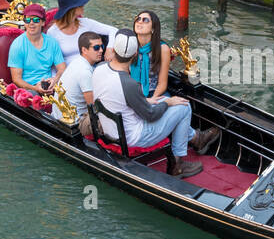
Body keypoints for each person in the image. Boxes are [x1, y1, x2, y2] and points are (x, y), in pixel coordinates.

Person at [91, 29, 218, 178]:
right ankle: (177, 165)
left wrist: (152, 101)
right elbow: (150, 115)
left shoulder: (99, 68)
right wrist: (168, 103)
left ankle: (195, 138)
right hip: (135, 137)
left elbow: (117, 99)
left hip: (111, 130)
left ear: (113, 51)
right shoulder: (129, 83)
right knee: (183, 106)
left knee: (161, 100)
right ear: (134, 55)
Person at [7, 3, 66, 97]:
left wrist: (55, 80)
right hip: (29, 88)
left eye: (36, 20)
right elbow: (16, 79)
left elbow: (62, 67)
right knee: (32, 96)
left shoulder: (52, 42)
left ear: (43, 22)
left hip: (49, 84)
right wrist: (35, 88)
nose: (31, 23)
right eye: (27, 20)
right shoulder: (17, 45)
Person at [47, 0, 117, 65]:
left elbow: (114, 30)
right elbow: (52, 61)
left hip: (89, 68)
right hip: (67, 72)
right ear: (72, 9)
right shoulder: (52, 32)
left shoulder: (86, 23)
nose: (83, 5)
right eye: (80, 4)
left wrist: (109, 48)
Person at [53, 30, 104, 126]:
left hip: (59, 116)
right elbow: (93, 106)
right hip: (75, 123)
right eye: (96, 48)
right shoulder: (84, 72)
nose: (101, 50)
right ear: (84, 50)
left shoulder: (77, 62)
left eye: (102, 46)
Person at [130, 9, 172, 100]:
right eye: (138, 19)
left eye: (145, 20)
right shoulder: (129, 44)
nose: (140, 22)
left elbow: (162, 83)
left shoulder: (163, 49)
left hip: (153, 92)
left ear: (153, 28)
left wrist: (152, 99)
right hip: (131, 90)